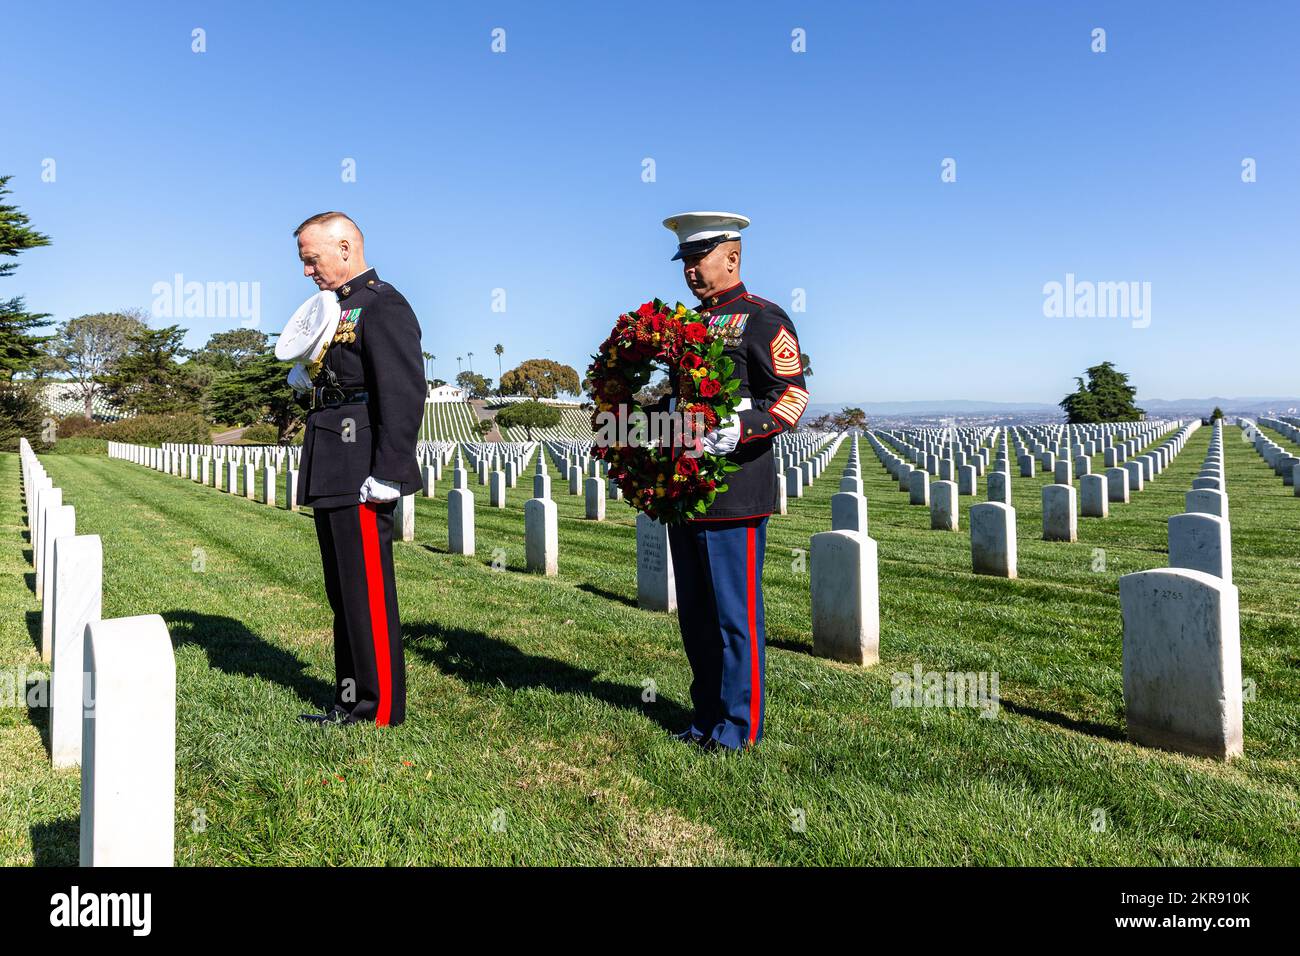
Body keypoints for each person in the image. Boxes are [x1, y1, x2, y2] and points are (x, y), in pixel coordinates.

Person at [660, 211, 810, 750]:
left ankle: (738, 729)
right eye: (686, 262)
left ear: (732, 256)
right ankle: (704, 719)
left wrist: (741, 428)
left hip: (736, 489)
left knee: (733, 618)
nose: (691, 271)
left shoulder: (763, 319)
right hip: (685, 490)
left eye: (699, 259)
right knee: (697, 618)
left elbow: (792, 395)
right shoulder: (686, 326)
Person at [288, 211, 425, 727]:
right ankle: (350, 699)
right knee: (343, 589)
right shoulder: (335, 310)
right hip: (331, 457)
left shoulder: (382, 304)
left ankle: (379, 707)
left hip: (362, 462)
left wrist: (391, 469)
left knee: (366, 589)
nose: (307, 271)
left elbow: (404, 390)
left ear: (345, 248)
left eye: (312, 259)